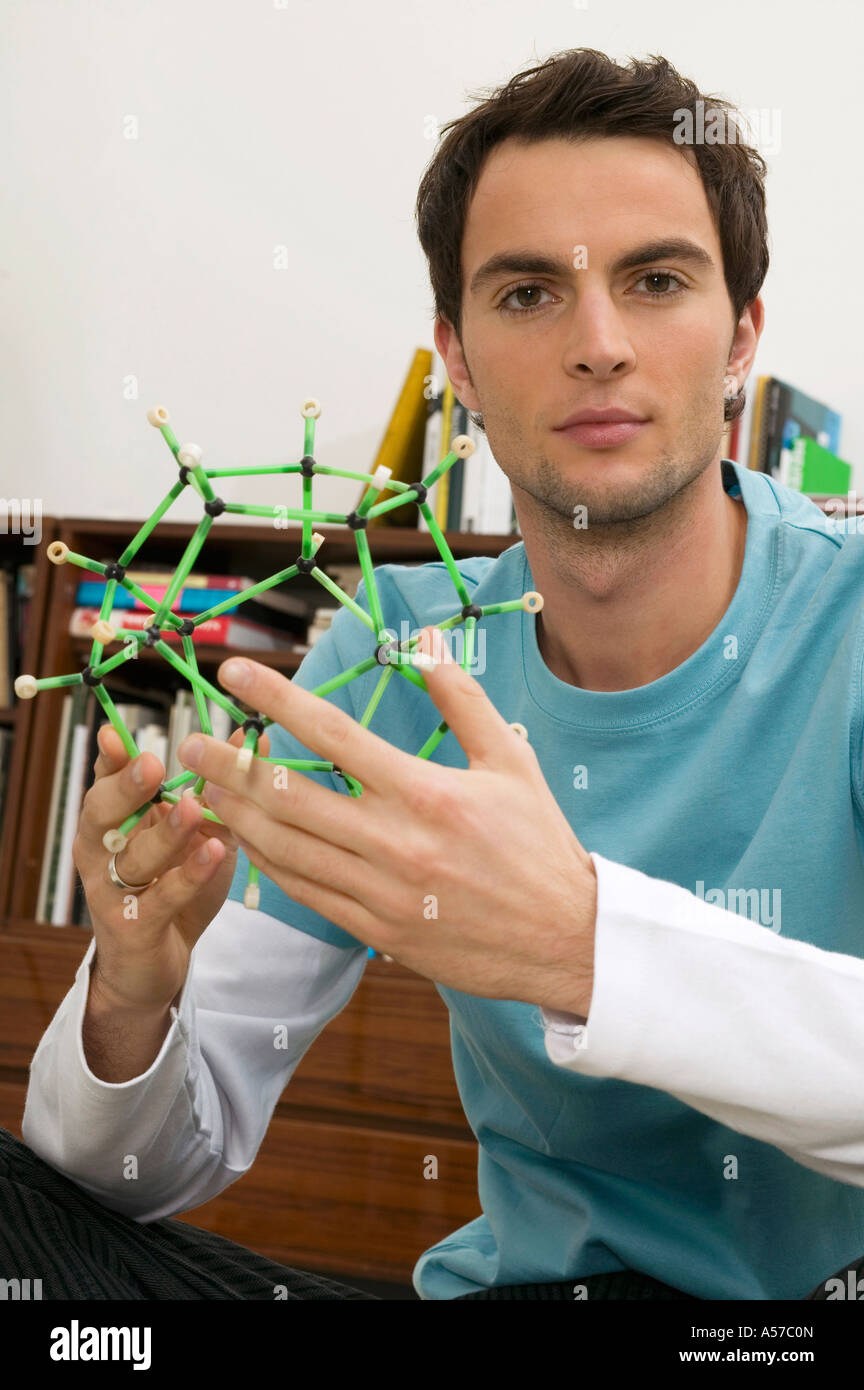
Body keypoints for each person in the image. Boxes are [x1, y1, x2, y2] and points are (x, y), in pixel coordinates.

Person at [11, 47, 864, 1302]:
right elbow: (140, 1176)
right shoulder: (392, 643)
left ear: (741, 336)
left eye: (658, 279)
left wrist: (580, 945)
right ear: (456, 360)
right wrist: (131, 1002)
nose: (600, 344)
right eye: (527, 294)